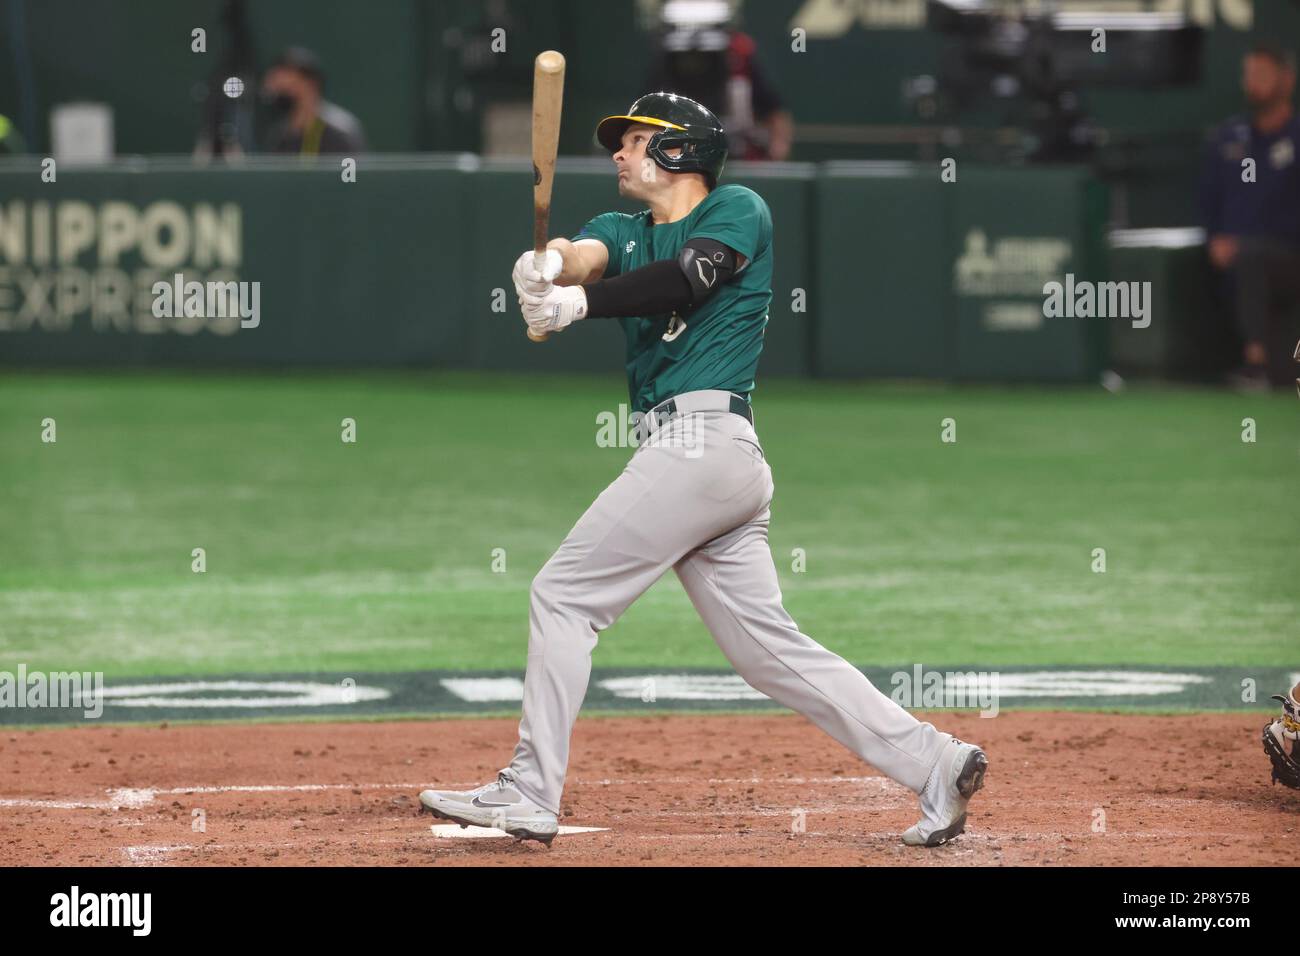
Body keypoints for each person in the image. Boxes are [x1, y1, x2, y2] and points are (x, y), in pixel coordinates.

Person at [418, 92, 987, 849]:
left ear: (680, 150)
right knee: (770, 652)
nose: (618, 153)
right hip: (703, 462)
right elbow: (587, 253)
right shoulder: (623, 230)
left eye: (634, 140)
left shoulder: (737, 209)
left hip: (704, 446)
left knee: (562, 596)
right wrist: (546, 264)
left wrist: (577, 306)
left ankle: (529, 789)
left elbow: (687, 278)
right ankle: (936, 762)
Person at [1199, 42, 1300, 389]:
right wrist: (1214, 238)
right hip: (1236, 266)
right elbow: (1209, 200)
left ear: (1287, 81)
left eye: (1262, 75)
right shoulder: (1227, 138)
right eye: (1248, 75)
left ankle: (1254, 362)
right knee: (1287, 377)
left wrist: (1246, 243)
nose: (1252, 83)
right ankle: (1257, 363)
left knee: (1253, 255)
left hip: (1289, 258)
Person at [260, 47, 366, 156]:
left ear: (310, 84)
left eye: (287, 86)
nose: (281, 93)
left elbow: (352, 172)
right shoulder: (280, 136)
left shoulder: (338, 132)